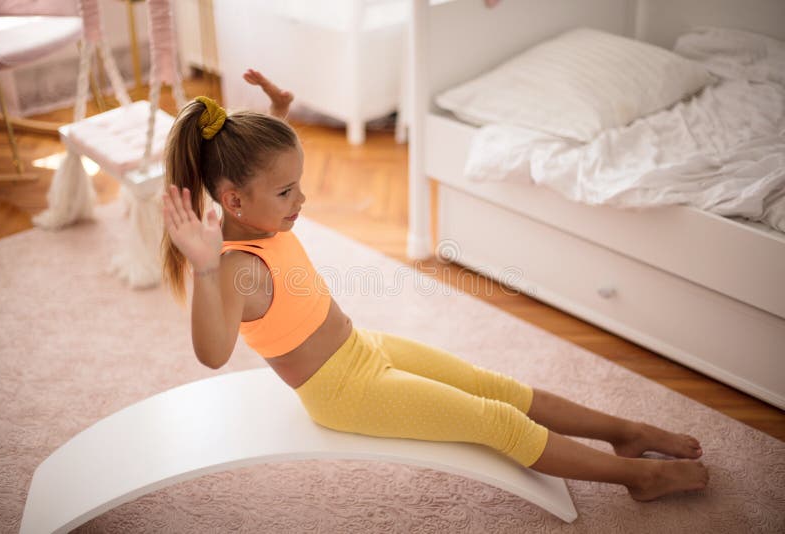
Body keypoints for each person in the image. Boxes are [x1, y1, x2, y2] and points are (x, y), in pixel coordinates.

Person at [160, 69, 709, 503]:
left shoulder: (256, 212)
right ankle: (637, 478)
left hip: (362, 347)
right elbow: (213, 354)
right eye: (287, 192)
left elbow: (261, 174)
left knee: (498, 388)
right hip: (342, 392)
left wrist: (278, 114)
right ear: (233, 201)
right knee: (495, 422)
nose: (301, 199)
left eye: (298, 184)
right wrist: (204, 270)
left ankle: (624, 431)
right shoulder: (232, 267)